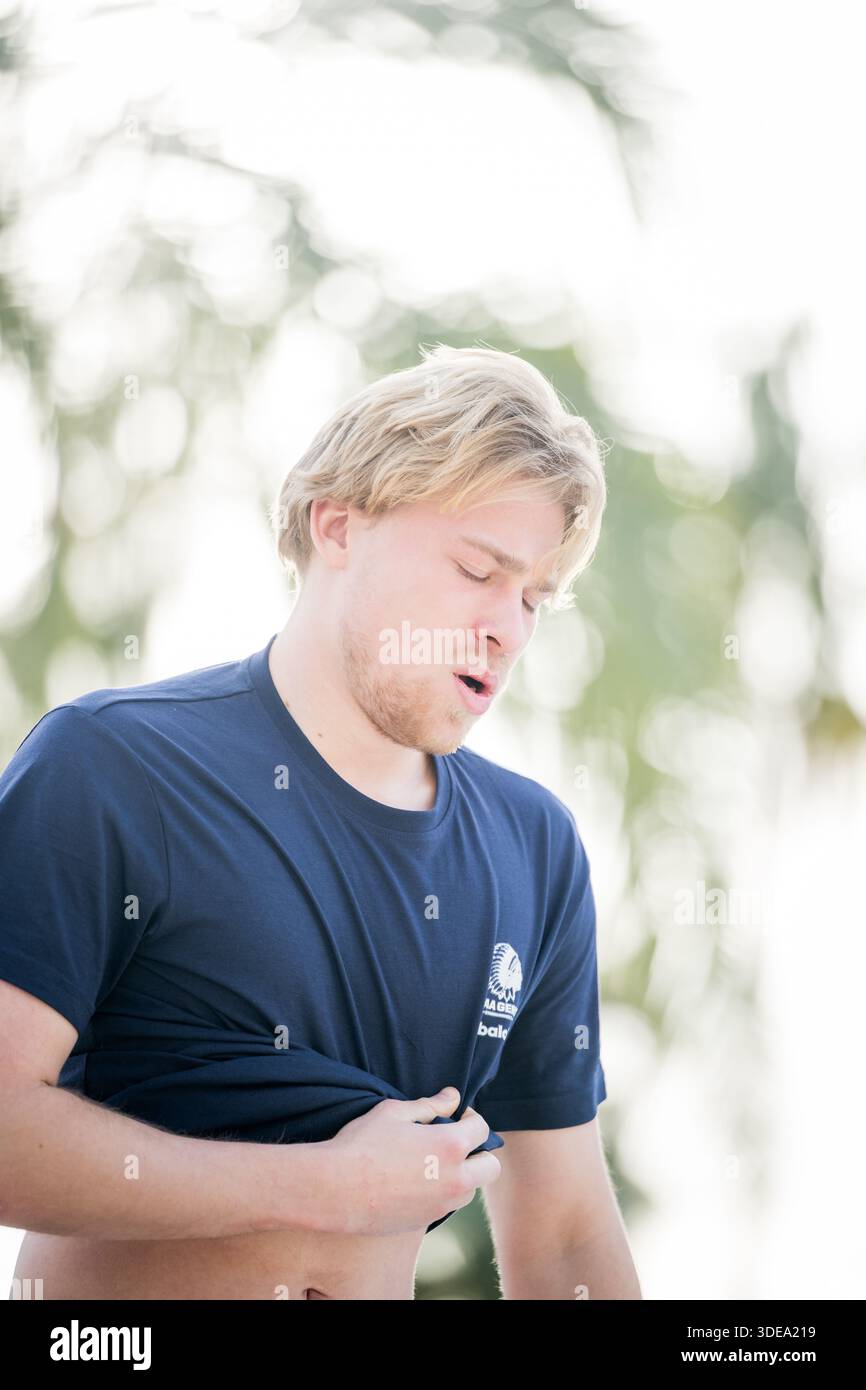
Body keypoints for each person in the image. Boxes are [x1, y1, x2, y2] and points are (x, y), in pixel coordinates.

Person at [1, 343, 641, 1299]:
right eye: (478, 569)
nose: (509, 626)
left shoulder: (535, 849)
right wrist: (319, 1188)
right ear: (337, 526)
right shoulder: (110, 767)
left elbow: (565, 1237)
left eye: (534, 598)